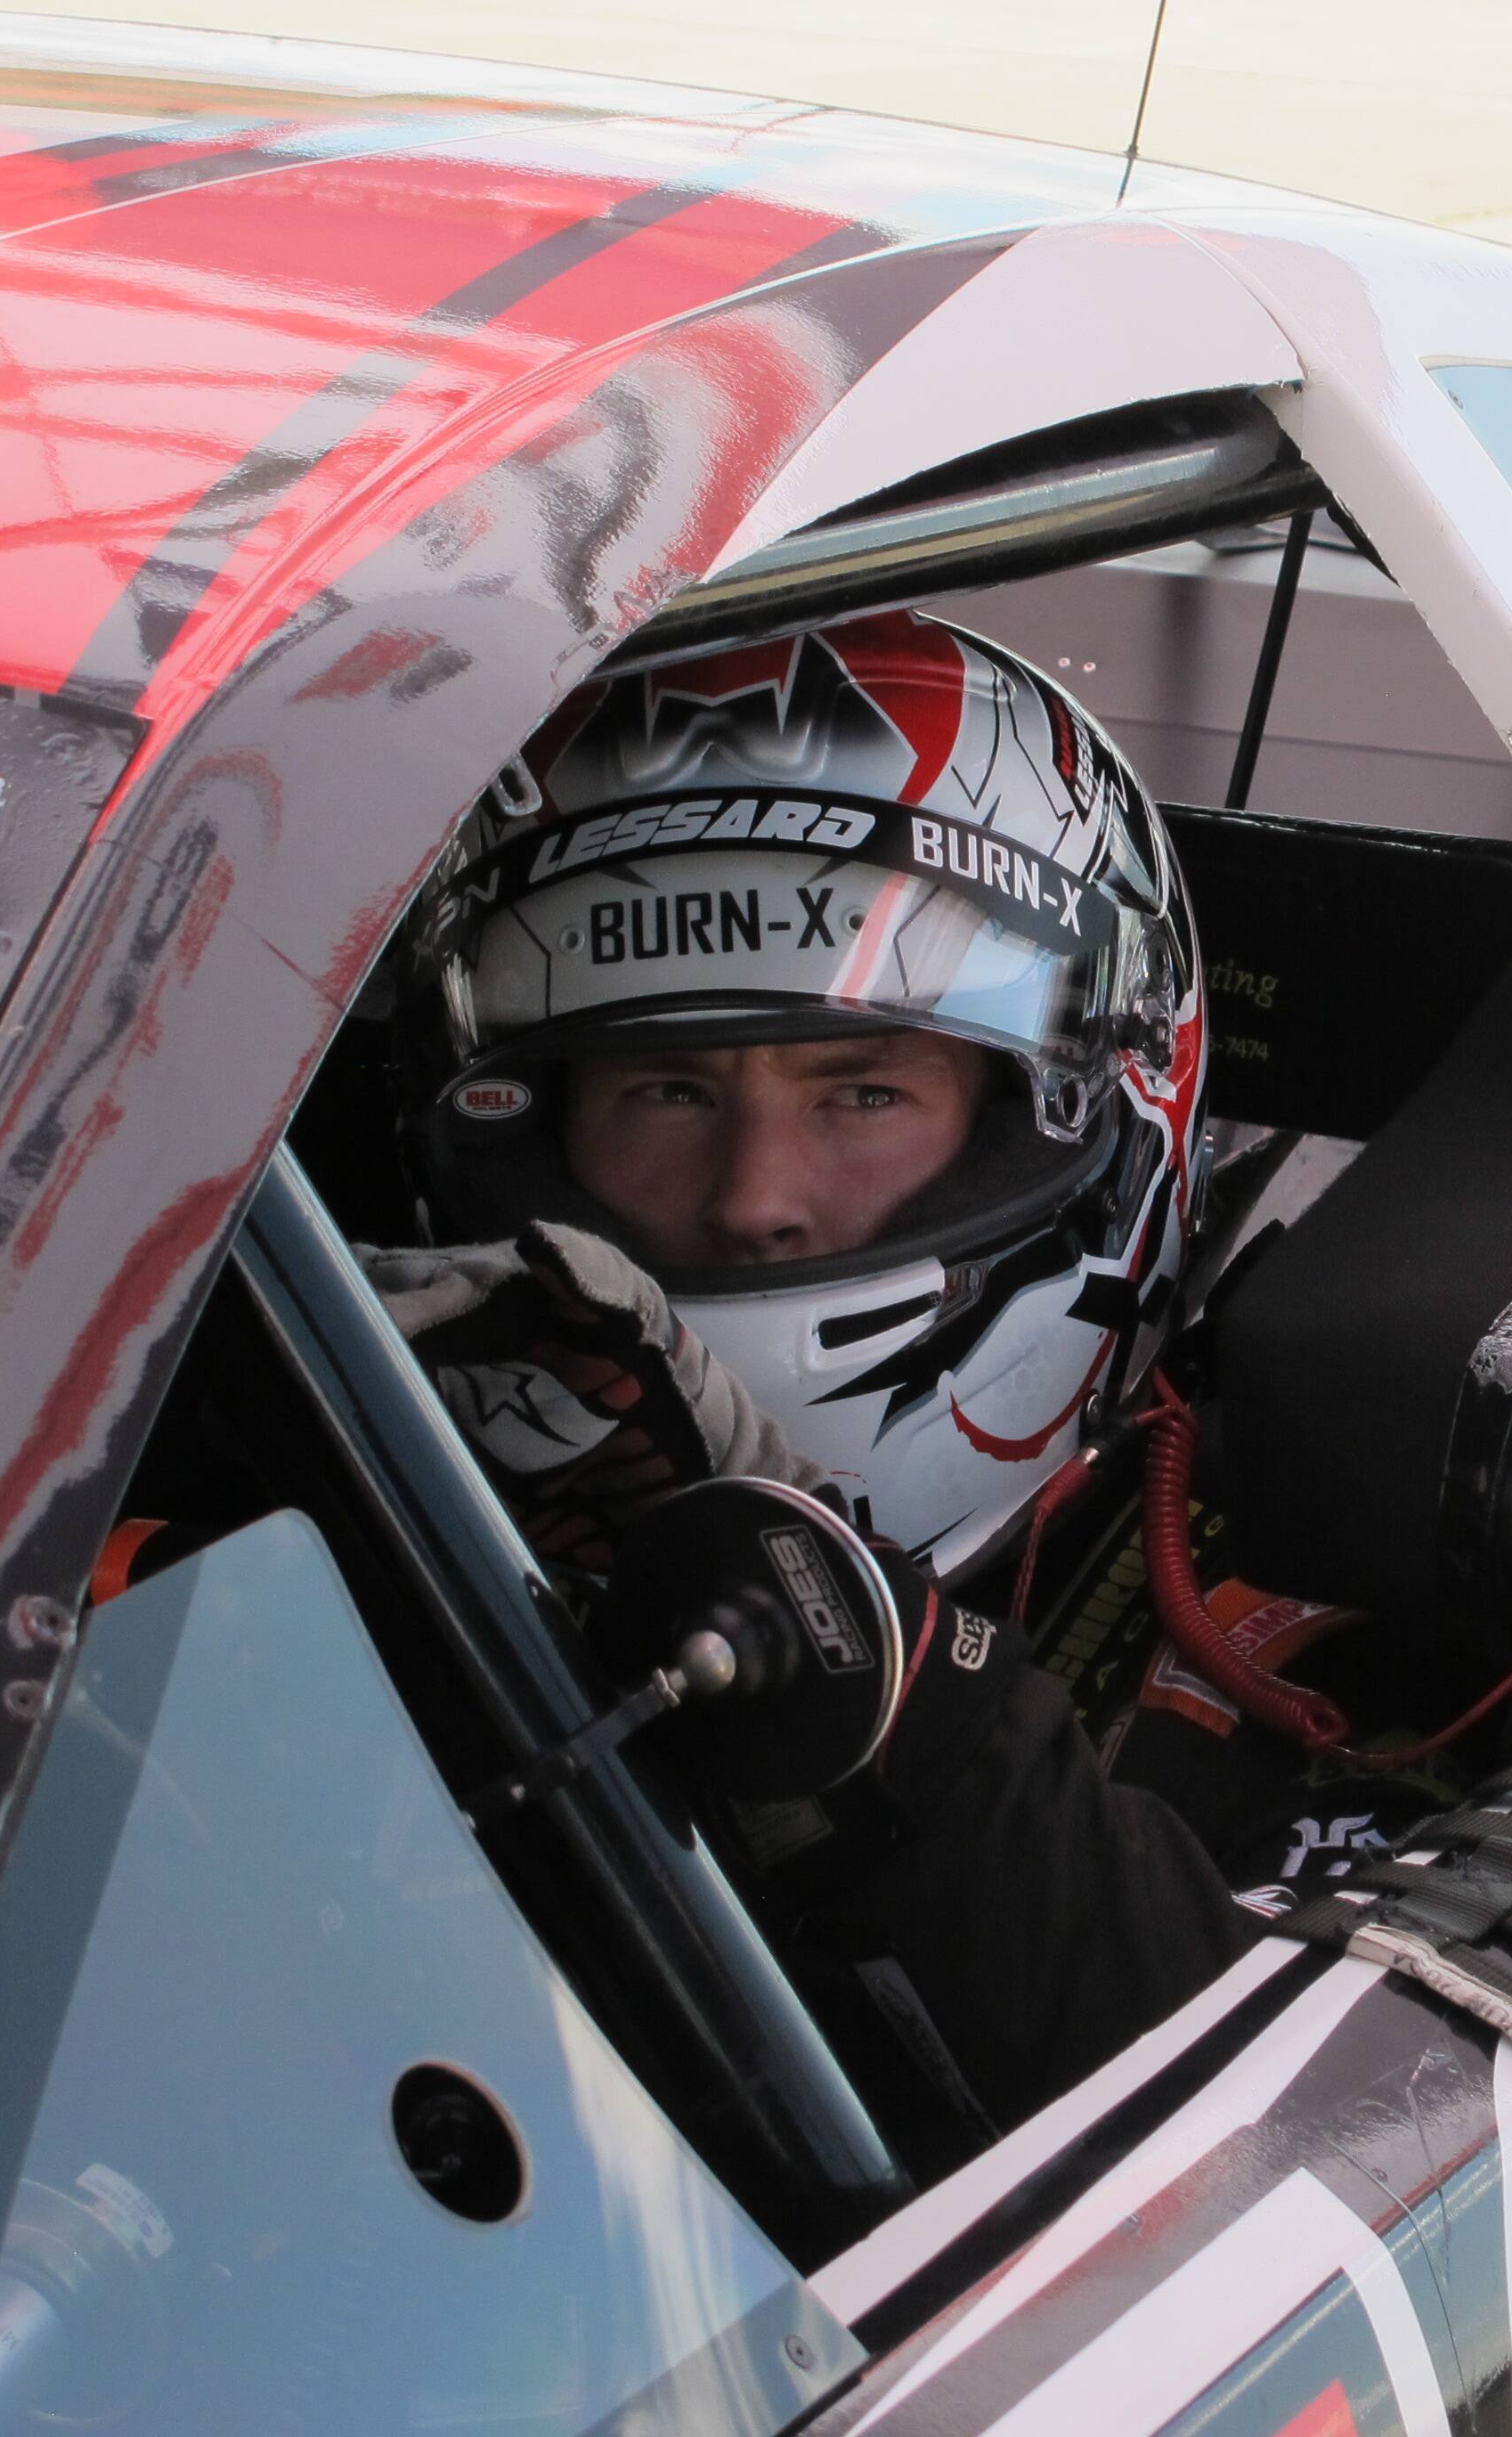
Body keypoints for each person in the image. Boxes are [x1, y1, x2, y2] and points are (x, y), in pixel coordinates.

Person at [368, 609, 1258, 2159]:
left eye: (860, 1089)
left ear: (1060, 1119)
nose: (753, 1196)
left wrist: (844, 1656)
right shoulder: (365, 1478)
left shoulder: (1280, 1614)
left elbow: (1264, 2161)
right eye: (665, 1086)